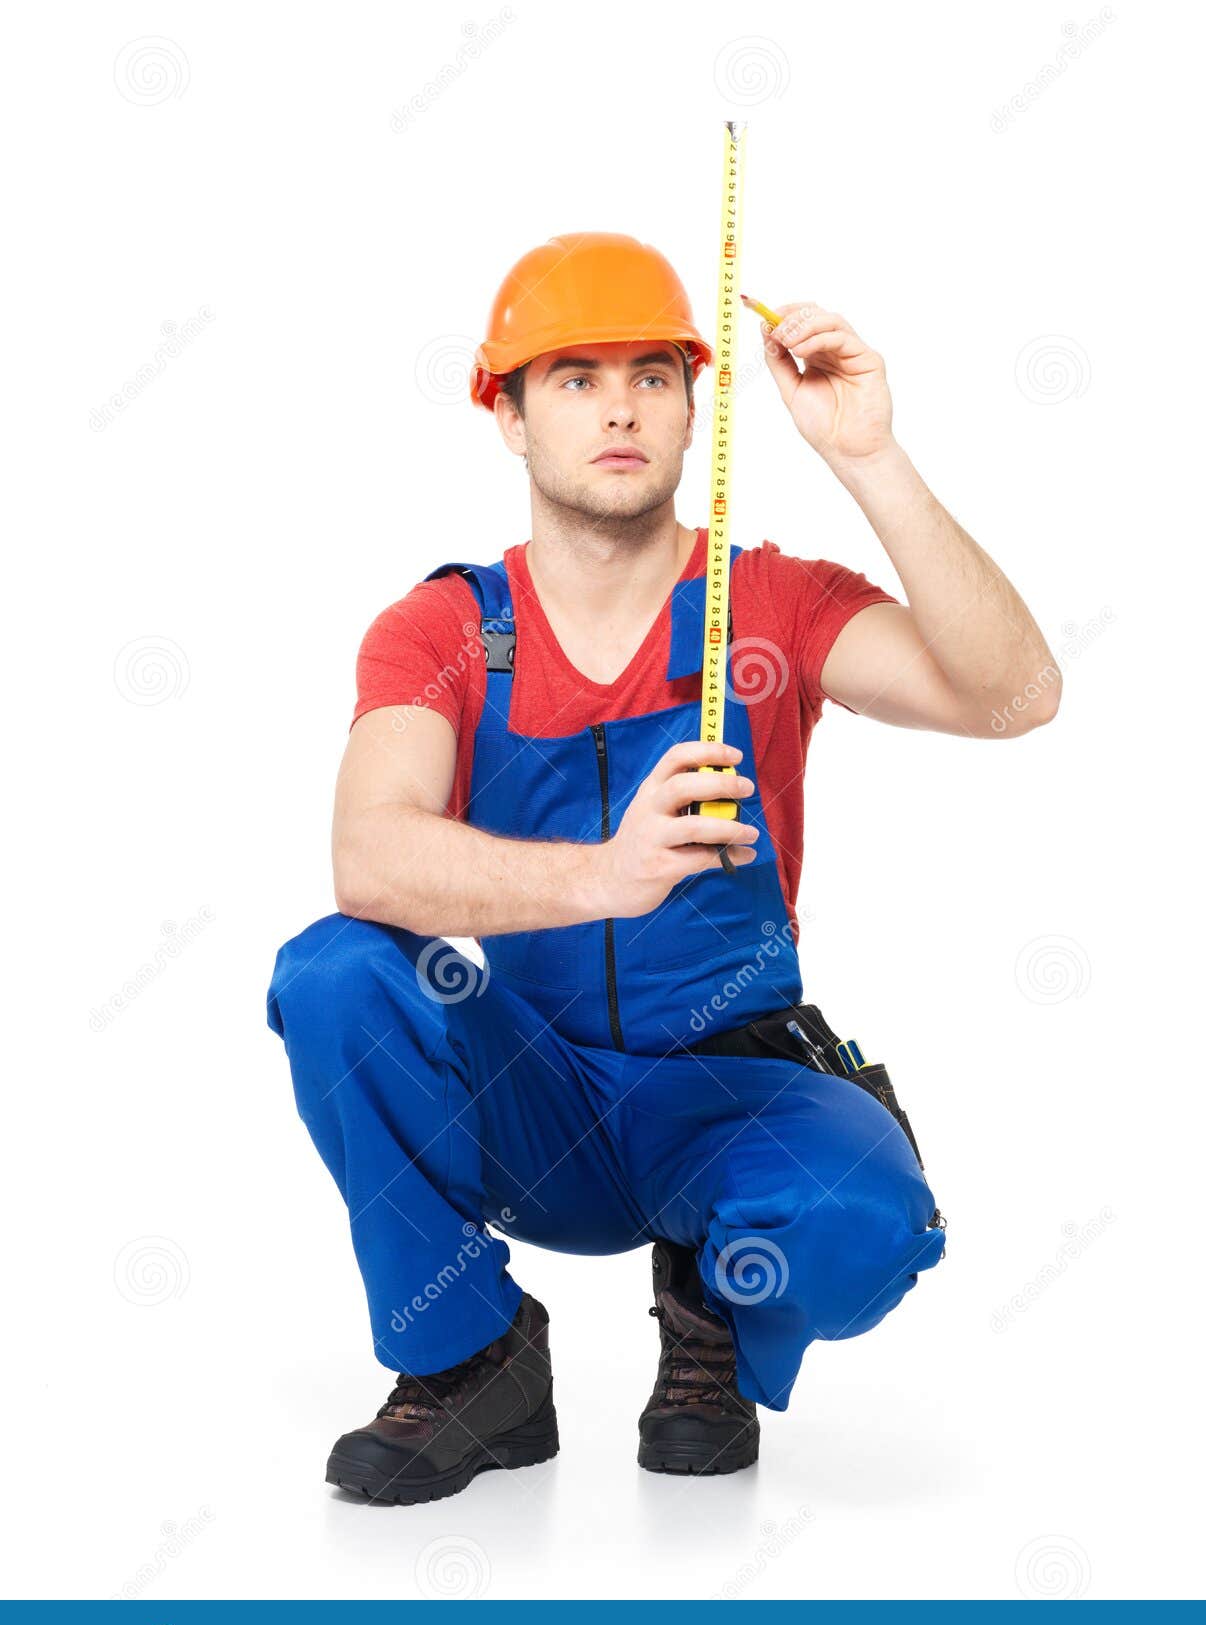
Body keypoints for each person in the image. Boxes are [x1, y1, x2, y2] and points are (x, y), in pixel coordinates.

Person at [267, 231, 1059, 1505]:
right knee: (334, 974)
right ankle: (472, 1361)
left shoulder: (775, 606)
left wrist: (869, 456)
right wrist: (603, 875)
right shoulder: (451, 629)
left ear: (697, 405)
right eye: (573, 378)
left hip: (731, 1098)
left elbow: (1017, 694)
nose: (621, 404)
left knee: (863, 1218)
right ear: (508, 416)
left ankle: (712, 1307)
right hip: (536, 1097)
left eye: (651, 371)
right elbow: (368, 854)